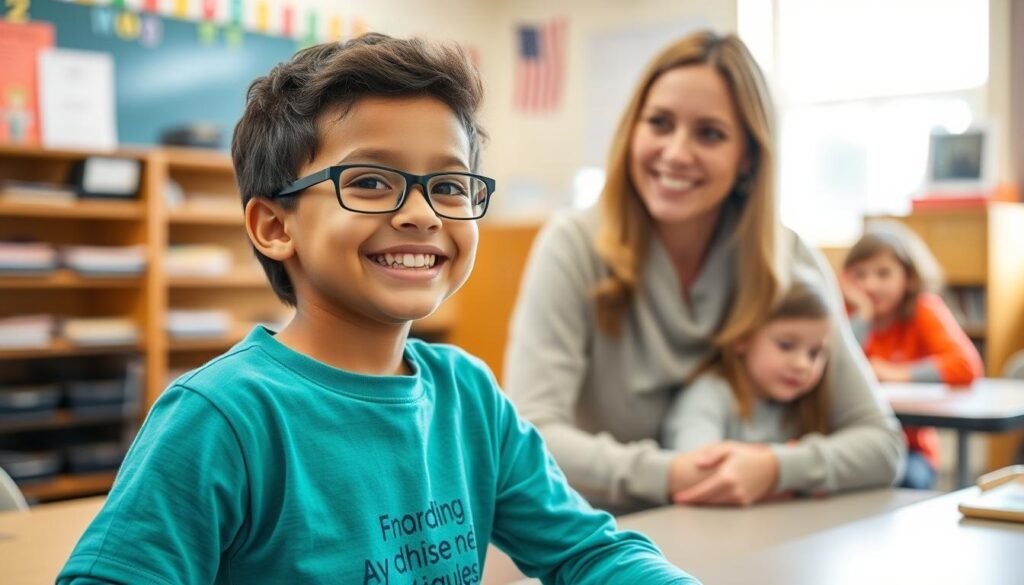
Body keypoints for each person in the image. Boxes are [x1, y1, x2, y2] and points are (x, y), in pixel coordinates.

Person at [58, 34, 697, 584]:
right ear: (275, 226)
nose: (422, 213)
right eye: (369, 181)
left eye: (449, 185)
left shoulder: (469, 397)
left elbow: (588, 552)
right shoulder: (223, 418)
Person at [504, 30, 904, 513]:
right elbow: (530, 436)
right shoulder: (572, 246)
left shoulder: (790, 260)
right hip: (600, 535)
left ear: (748, 158)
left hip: (747, 536)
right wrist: (673, 474)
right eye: (659, 123)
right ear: (633, 130)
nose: (675, 152)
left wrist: (771, 468)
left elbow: (882, 444)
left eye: (709, 133)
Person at [841, 220, 983, 489]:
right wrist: (863, 315)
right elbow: (834, 369)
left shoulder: (923, 310)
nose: (870, 285)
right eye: (860, 275)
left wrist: (899, 374)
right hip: (857, 443)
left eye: (883, 274)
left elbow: (966, 365)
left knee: (904, 481)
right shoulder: (848, 316)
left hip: (913, 449)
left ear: (908, 277)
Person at [661, 279, 832, 501]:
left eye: (815, 353)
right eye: (786, 345)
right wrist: (795, 469)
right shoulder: (708, 396)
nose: (802, 364)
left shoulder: (803, 406)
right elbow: (700, 469)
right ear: (742, 338)